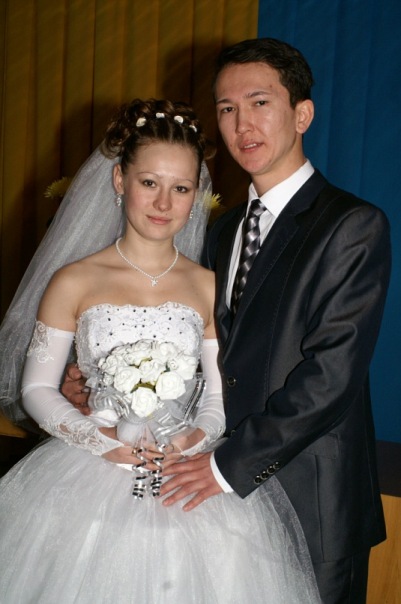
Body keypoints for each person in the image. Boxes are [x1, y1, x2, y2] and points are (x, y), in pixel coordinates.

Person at [0, 98, 321, 603]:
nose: (164, 203)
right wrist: (103, 441)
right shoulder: (73, 281)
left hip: (184, 472)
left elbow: (218, 395)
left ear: (197, 195)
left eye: (181, 188)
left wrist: (193, 439)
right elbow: (37, 388)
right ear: (119, 180)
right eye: (149, 182)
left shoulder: (210, 285)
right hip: (90, 469)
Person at [158, 38, 391, 603]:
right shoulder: (223, 229)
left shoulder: (352, 224)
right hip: (223, 500)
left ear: (302, 114)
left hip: (311, 498)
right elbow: (213, 351)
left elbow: (330, 377)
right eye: (227, 108)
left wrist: (225, 467)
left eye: (259, 102)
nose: (242, 124)